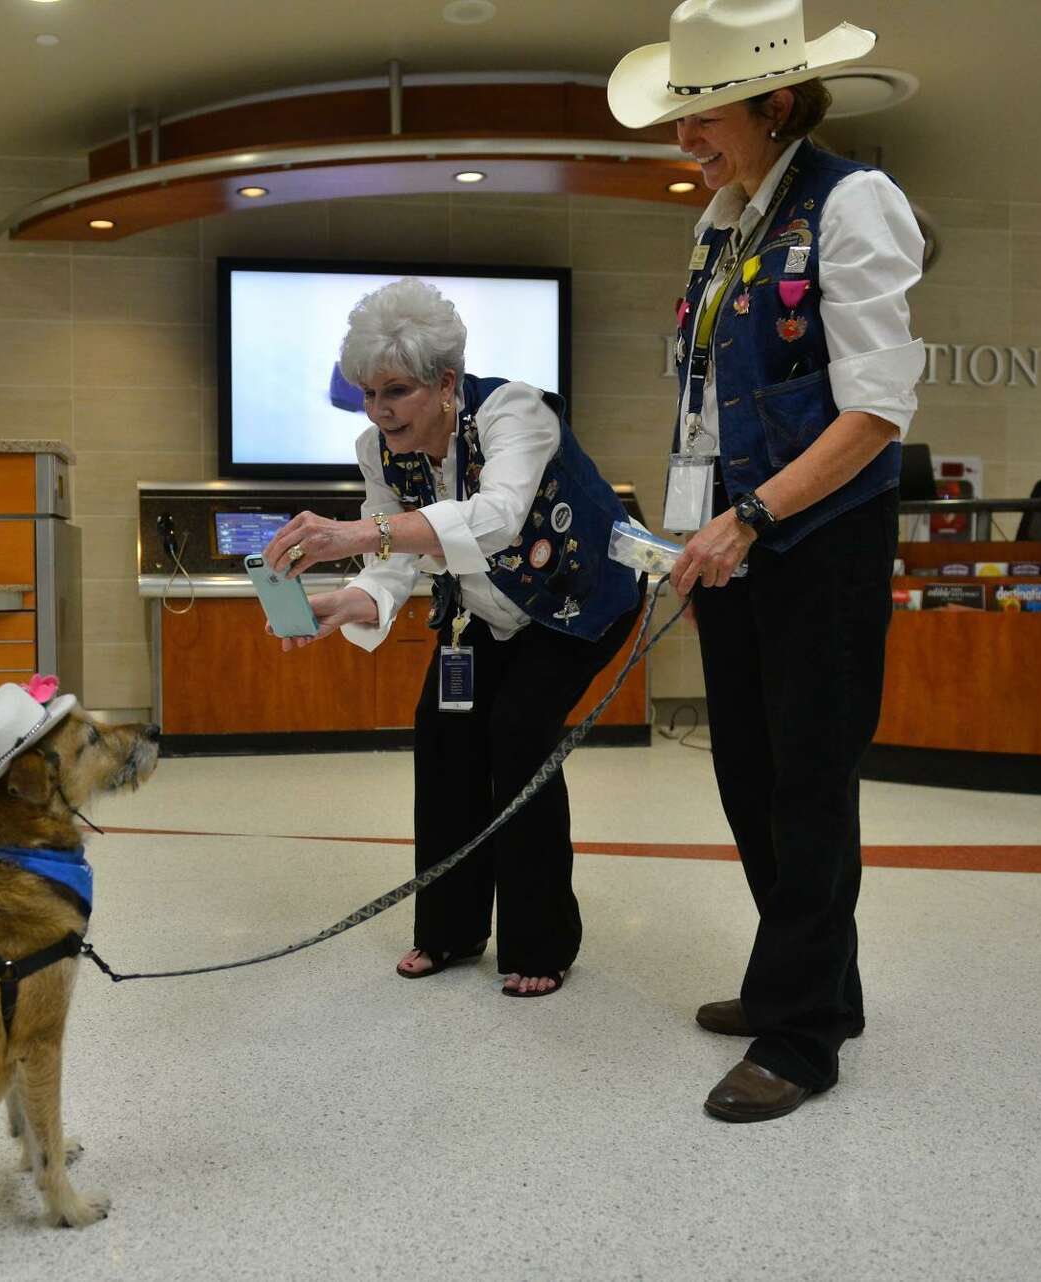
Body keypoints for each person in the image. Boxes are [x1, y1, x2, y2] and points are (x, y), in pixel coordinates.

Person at [608, 0, 925, 1120]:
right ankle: (807, 979)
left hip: (815, 547)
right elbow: (710, 405)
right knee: (749, 776)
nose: (683, 142)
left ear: (775, 103)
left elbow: (877, 410)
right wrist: (695, 537)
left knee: (808, 786)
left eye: (702, 118)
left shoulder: (854, 202)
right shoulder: (727, 220)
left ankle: (801, 1037)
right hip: (732, 549)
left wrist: (750, 515)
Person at [262, 278, 644, 997]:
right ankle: (450, 930)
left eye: (396, 391)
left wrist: (355, 531)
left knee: (518, 732)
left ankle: (541, 943)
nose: (380, 411)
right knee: (441, 738)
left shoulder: (514, 411)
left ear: (444, 384)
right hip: (483, 613)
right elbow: (395, 559)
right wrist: (350, 599)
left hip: (580, 600)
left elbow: (497, 517)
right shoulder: (378, 449)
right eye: (368, 393)